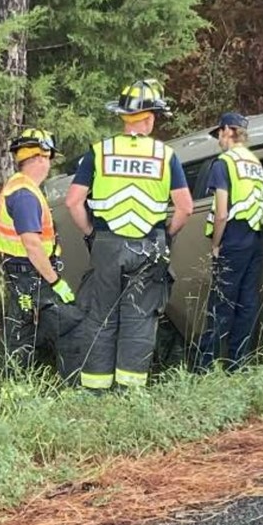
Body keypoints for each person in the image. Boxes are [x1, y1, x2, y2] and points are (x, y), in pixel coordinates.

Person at [65, 79, 194, 391]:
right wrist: (166, 236)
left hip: (107, 245)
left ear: (123, 117)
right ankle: (129, 392)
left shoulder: (100, 152)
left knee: (101, 316)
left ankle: (96, 391)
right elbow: (185, 208)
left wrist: (92, 234)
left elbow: (72, 201)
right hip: (148, 246)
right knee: (139, 318)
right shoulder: (165, 155)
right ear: (149, 119)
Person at [0, 127, 85, 379]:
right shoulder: (25, 195)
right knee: (69, 323)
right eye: (49, 159)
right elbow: (32, 246)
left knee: (22, 330)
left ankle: (18, 387)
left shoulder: (18, 187)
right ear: (41, 158)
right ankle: (75, 383)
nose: (49, 165)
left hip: (21, 273)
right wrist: (56, 282)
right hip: (31, 276)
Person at [195, 111, 263, 373]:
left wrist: (216, 244)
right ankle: (238, 364)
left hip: (232, 238)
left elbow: (222, 211)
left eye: (219, 135)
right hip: (254, 236)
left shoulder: (223, 163)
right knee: (246, 303)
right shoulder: (254, 162)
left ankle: (204, 366)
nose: (219, 141)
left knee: (221, 303)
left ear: (227, 131)